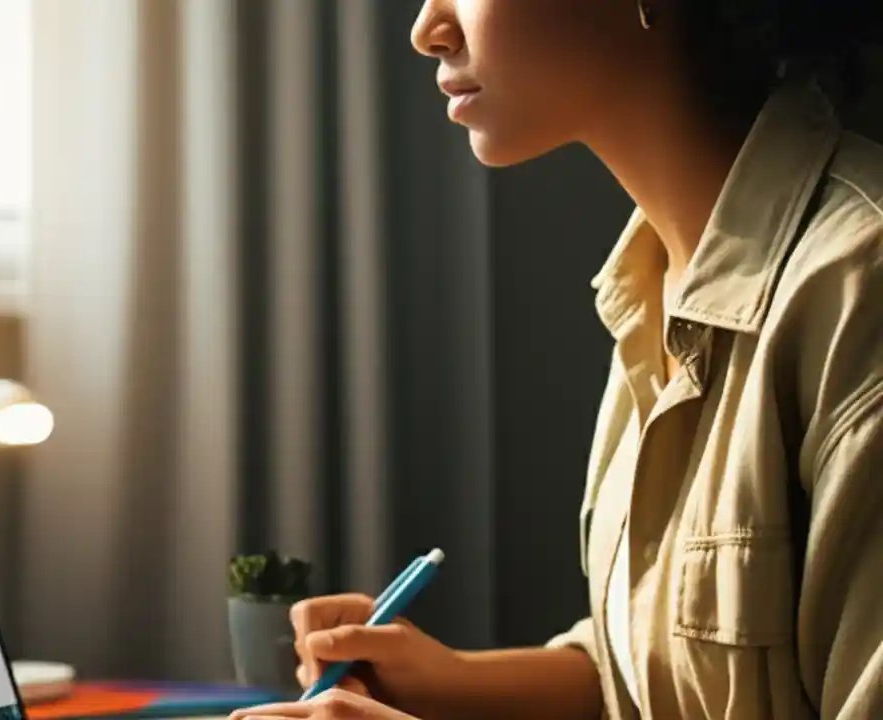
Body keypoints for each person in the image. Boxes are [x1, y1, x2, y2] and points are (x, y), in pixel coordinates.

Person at [232, 1, 882, 718]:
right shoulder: (655, 283)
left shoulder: (858, 292)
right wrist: (449, 681)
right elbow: (653, 675)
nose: (427, 30)